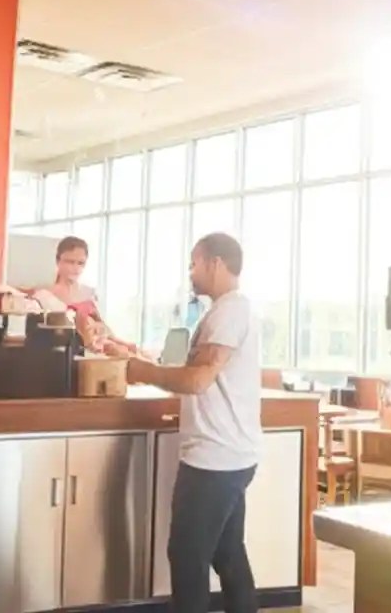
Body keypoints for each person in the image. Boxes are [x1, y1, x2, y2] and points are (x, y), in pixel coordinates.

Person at [127, 232, 260, 613]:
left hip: (214, 457)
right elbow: (198, 371)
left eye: (193, 263)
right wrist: (137, 358)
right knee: (227, 552)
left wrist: (142, 371)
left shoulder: (229, 311)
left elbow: (198, 380)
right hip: (231, 453)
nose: (190, 272)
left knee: (187, 557)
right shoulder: (227, 310)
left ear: (214, 263)